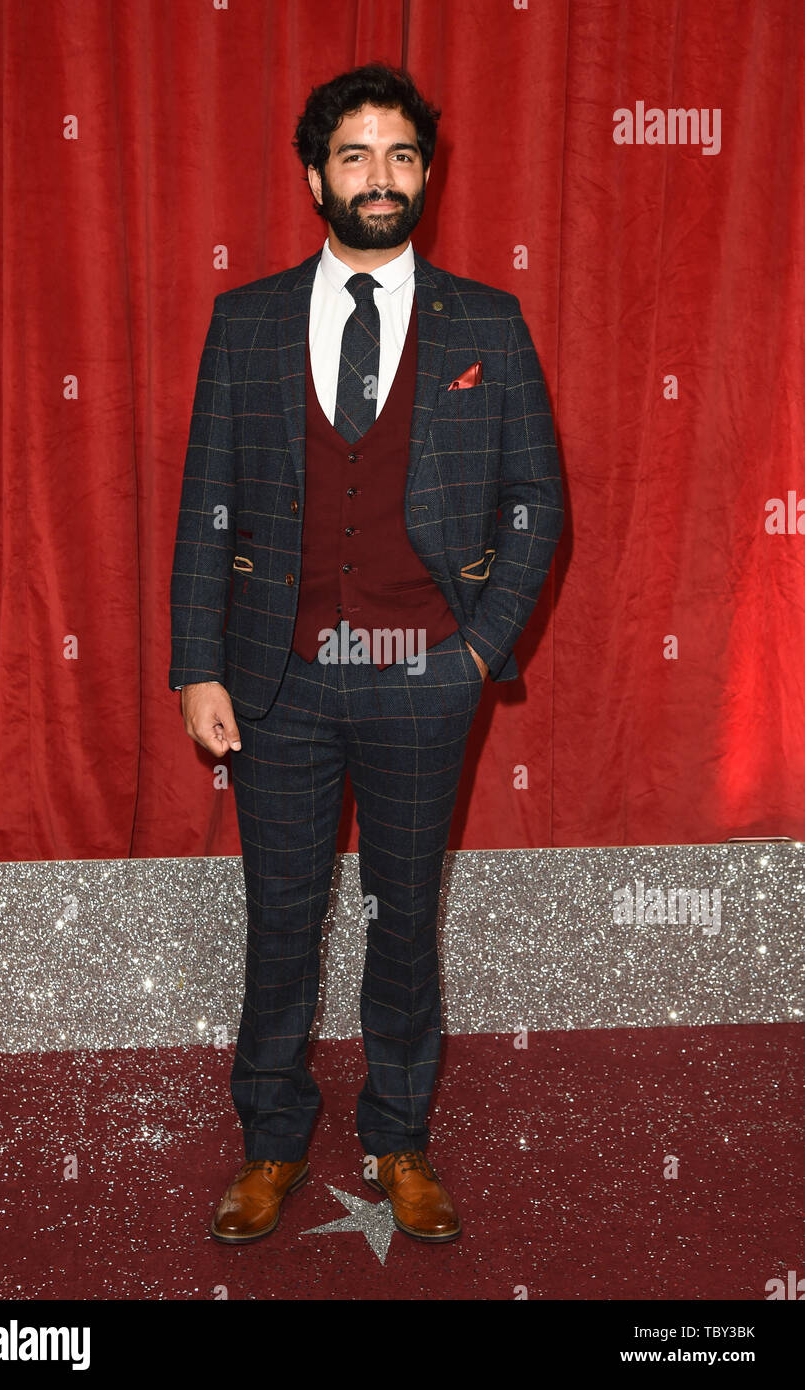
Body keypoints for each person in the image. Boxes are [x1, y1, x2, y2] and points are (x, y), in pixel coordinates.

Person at [169, 61, 564, 1246]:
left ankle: (397, 1133)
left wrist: (474, 651)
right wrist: (199, 665)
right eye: (354, 155)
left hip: (423, 678)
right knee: (279, 914)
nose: (378, 177)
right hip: (275, 679)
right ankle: (272, 1139)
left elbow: (532, 502)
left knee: (403, 915)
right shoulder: (243, 322)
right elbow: (205, 505)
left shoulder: (484, 320)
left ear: (425, 175)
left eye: (399, 155)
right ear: (313, 176)